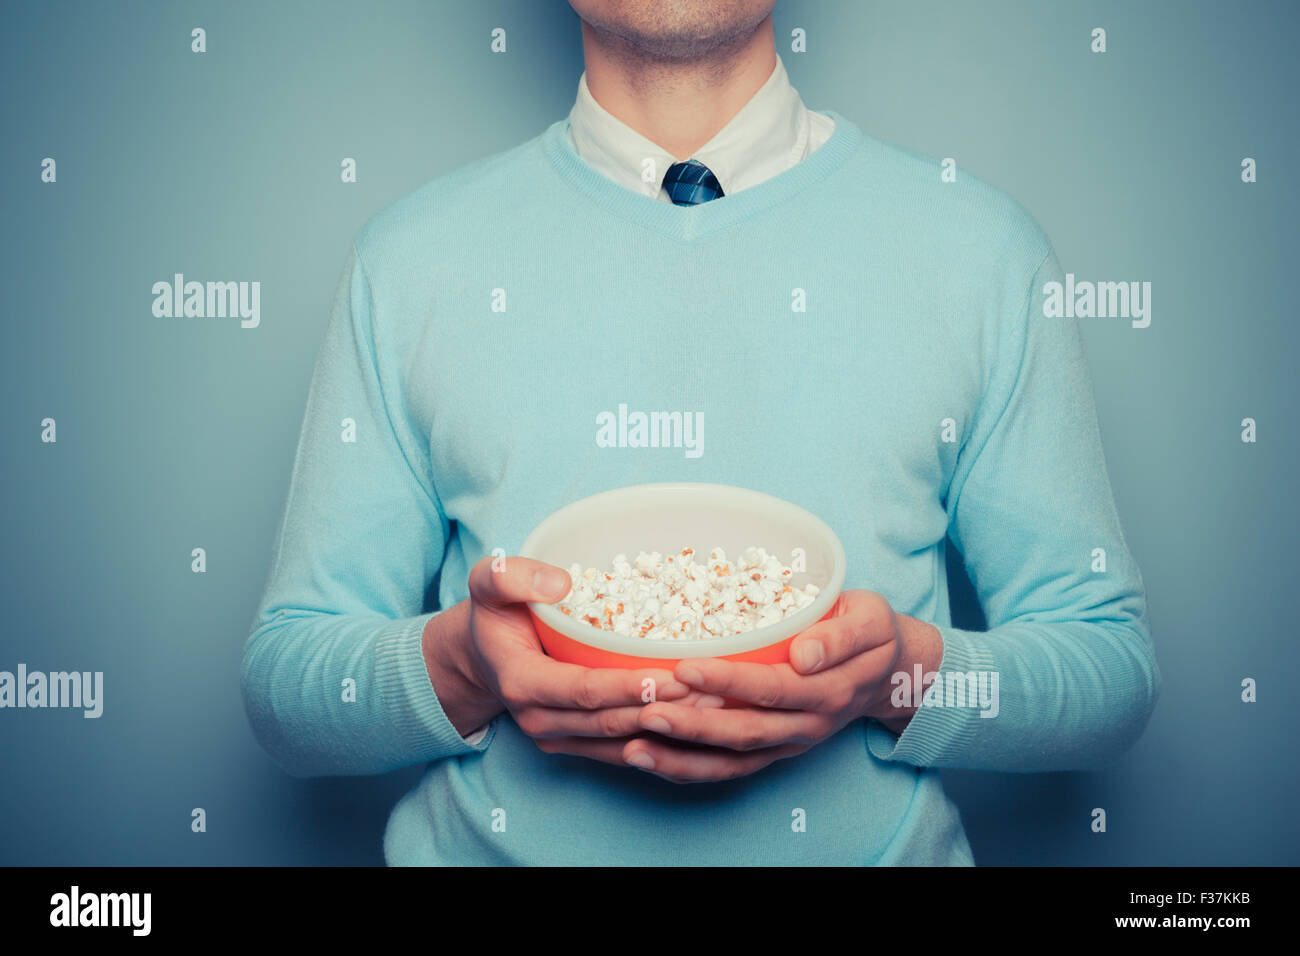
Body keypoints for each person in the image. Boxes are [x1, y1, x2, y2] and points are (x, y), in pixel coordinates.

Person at [242, 0, 1160, 865]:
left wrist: (897, 679)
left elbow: (1105, 671)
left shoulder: (982, 251)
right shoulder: (410, 263)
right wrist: (466, 669)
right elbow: (288, 692)